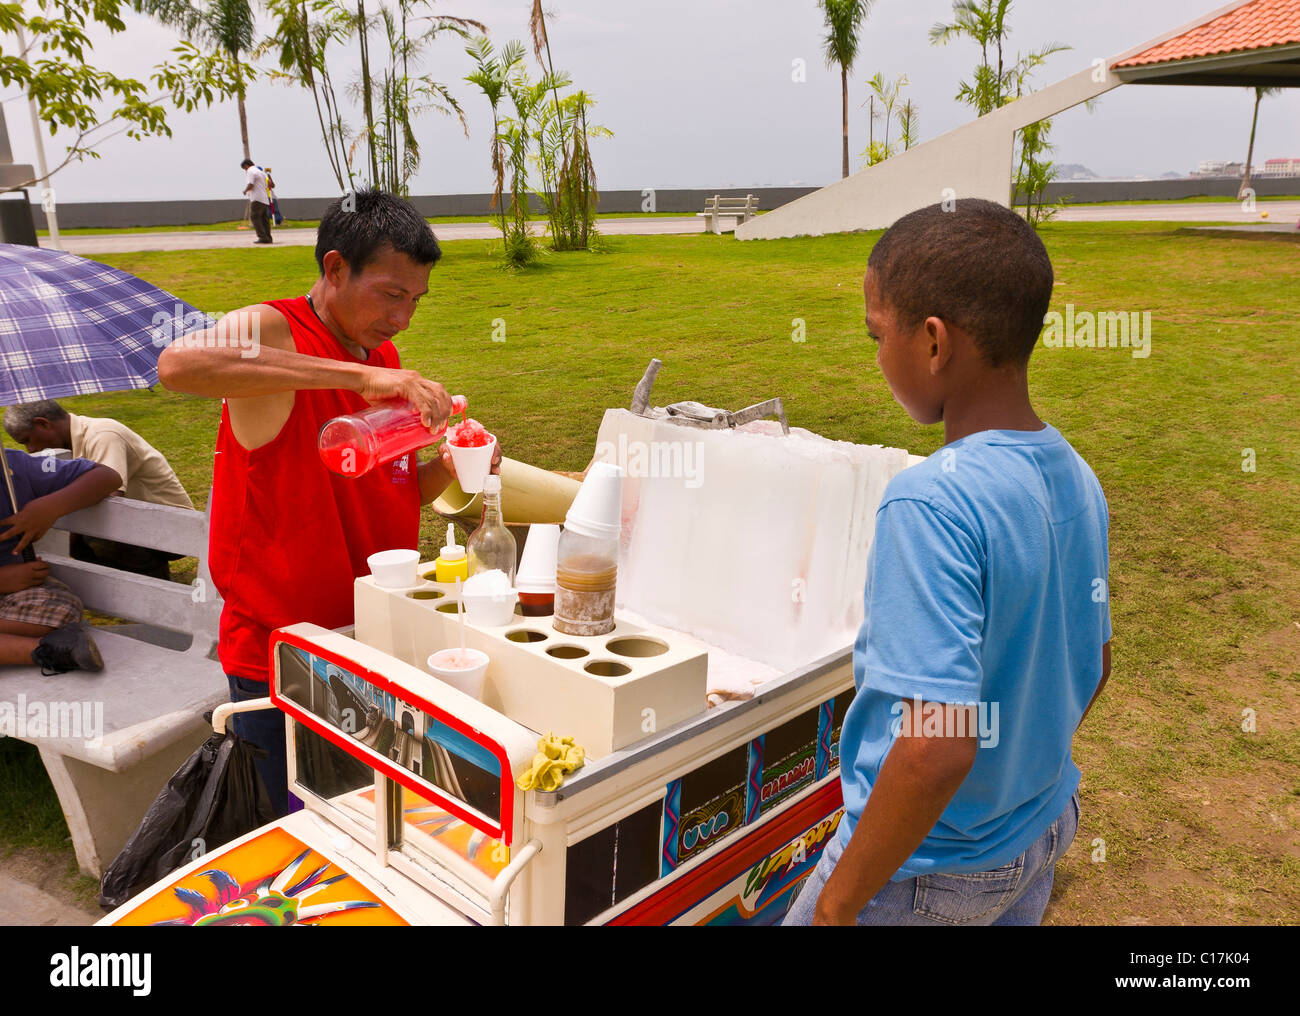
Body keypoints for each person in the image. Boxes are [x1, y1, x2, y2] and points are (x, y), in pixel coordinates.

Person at [784, 199, 1111, 926]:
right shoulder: (1077, 476)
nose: (875, 357)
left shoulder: (929, 504)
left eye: (877, 335)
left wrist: (838, 906)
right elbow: (1095, 659)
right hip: (1036, 831)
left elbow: (936, 749)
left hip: (923, 875)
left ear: (933, 344)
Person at [156, 187, 500, 817]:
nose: (402, 318)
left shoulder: (382, 357)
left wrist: (445, 468)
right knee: (299, 834)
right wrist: (357, 377)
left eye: (415, 301)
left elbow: (385, 488)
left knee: (366, 821)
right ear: (335, 268)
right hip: (284, 654)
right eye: (391, 295)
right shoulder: (275, 328)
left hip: (367, 637)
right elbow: (178, 364)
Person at [3, 400, 195, 579]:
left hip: (174, 529)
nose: (30, 449)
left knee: (94, 534)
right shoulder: (71, 442)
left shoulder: (104, 435)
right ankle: (121, 580)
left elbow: (111, 498)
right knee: (81, 537)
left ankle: (154, 582)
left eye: (28, 440)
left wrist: (57, 523)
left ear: (43, 424)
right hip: (139, 522)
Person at [0, 450, 123, 673]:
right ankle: (50, 651)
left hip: (16, 597)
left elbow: (107, 477)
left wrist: (50, 507)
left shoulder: (15, 467)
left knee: (62, 608)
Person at [241, 158, 273, 245]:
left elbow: (251, 184)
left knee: (255, 217)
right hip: (265, 199)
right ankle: (268, 238)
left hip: (256, 198)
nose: (245, 170)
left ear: (246, 166)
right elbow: (270, 184)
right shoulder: (261, 172)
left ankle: (262, 237)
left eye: (244, 169)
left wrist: (245, 191)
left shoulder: (250, 171)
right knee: (264, 219)